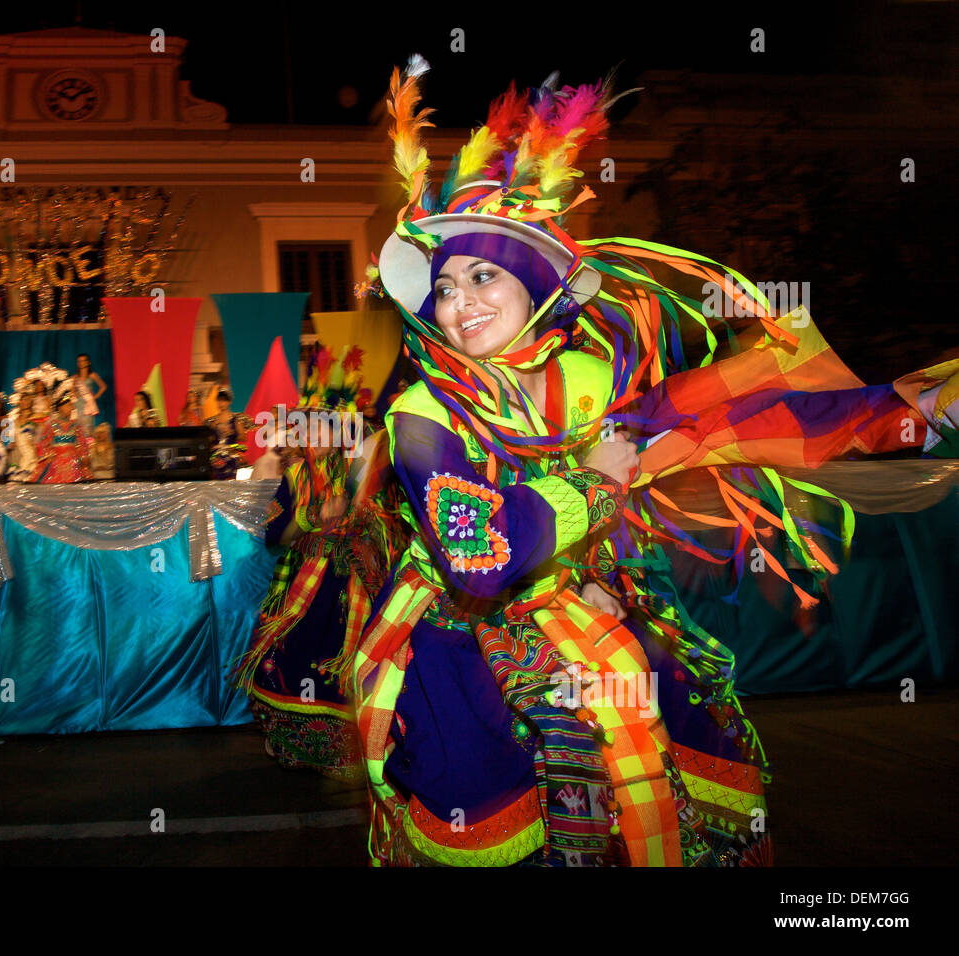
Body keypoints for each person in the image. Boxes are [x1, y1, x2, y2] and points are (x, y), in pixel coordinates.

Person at [351, 60, 959, 868]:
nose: (457, 301)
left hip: (593, 612)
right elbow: (481, 556)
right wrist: (599, 480)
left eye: (484, 273)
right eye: (444, 285)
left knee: (664, 769)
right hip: (464, 643)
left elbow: (739, 414)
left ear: (538, 286)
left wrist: (911, 411)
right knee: (496, 814)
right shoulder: (423, 416)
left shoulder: (595, 384)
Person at [233, 368, 409, 780]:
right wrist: (315, 517)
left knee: (352, 665)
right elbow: (274, 534)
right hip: (306, 585)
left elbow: (395, 525)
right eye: (307, 427)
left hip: (356, 583)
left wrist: (362, 520)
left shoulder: (367, 472)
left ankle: (348, 751)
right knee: (288, 655)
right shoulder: (293, 477)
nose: (313, 435)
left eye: (323, 426)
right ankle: (294, 742)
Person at [33, 388, 91, 483]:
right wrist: (48, 455)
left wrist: (84, 460)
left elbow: (83, 444)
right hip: (56, 462)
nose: (72, 408)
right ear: (60, 407)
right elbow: (42, 442)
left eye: (72, 406)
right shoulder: (51, 425)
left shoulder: (76, 425)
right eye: (69, 405)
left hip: (73, 461)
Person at [204, 388, 251, 479]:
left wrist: (233, 432)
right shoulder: (212, 421)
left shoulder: (235, 419)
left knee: (229, 475)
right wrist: (213, 430)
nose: (221, 404)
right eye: (219, 401)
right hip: (215, 454)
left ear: (229, 402)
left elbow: (243, 437)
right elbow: (208, 439)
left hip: (230, 452)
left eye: (224, 401)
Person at [72, 353, 108, 430]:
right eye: (79, 361)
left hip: (87, 404)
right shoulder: (75, 377)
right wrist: (74, 394)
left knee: (87, 426)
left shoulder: (93, 375)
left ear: (88, 362)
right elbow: (71, 389)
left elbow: (103, 386)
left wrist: (95, 397)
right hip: (77, 404)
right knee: (77, 427)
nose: (81, 363)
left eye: (83, 360)